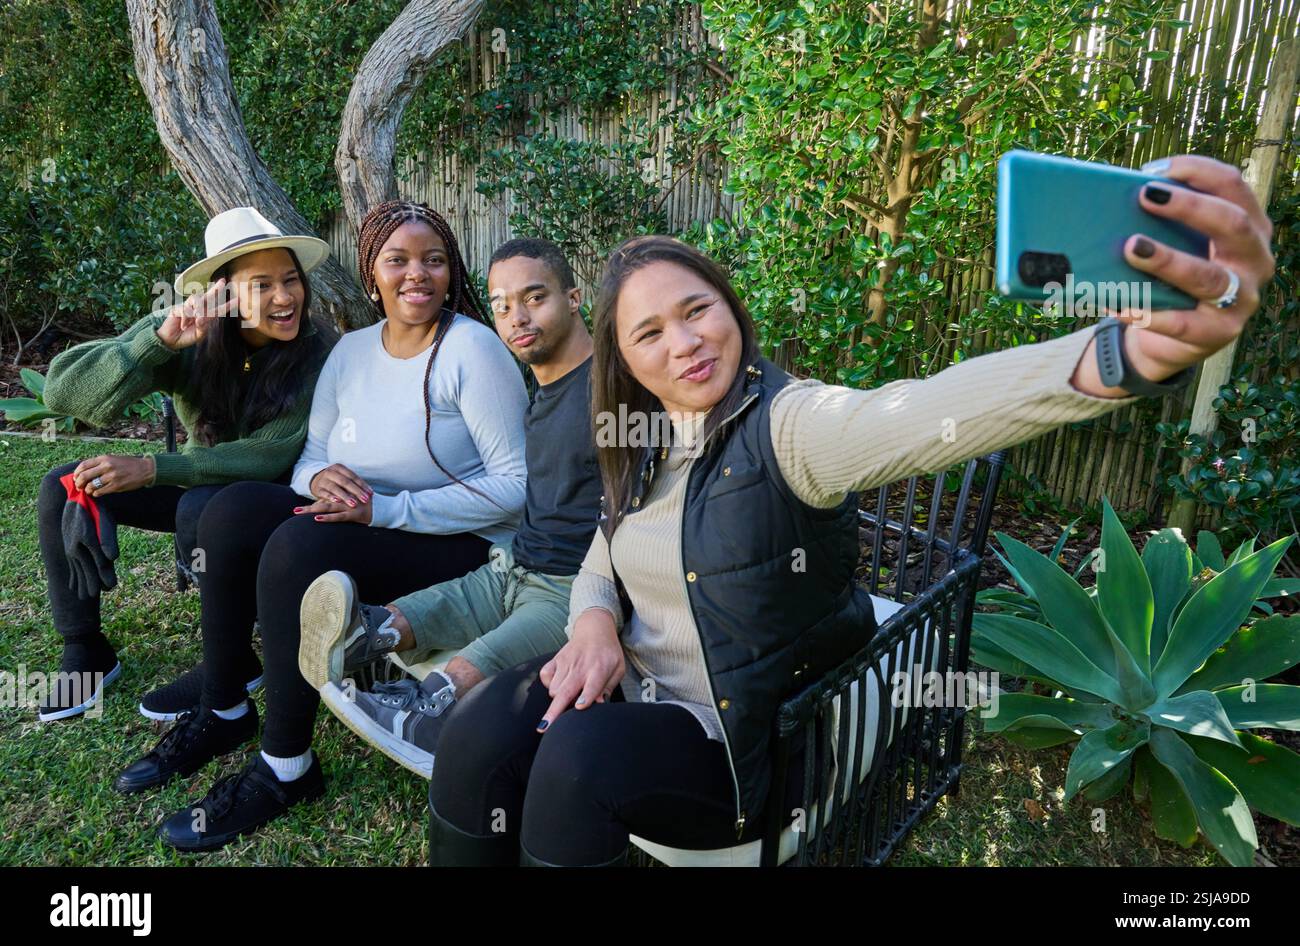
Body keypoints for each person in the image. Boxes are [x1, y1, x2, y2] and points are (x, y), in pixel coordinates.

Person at [423, 155, 1276, 866]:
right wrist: (595, 625)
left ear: (731, 311)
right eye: (649, 334)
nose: (682, 344)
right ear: (625, 360)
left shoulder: (789, 428)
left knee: (572, 760)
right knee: (479, 728)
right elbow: (605, 557)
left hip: (743, 748)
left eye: (697, 311)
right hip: (630, 692)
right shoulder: (641, 436)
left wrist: (1115, 355)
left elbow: (918, 412)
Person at [112, 201, 529, 852]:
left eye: (434, 260)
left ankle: (286, 767)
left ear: (450, 272)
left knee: (297, 544)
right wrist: (321, 480)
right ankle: (224, 705)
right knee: (234, 510)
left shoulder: (473, 352)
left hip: (470, 550)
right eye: (397, 260)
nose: (416, 273)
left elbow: (515, 488)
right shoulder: (356, 354)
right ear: (370, 275)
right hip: (383, 526)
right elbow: (309, 460)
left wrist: (386, 509)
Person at [296, 237, 601, 778]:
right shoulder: (545, 391)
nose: (516, 317)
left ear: (575, 298)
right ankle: (362, 639)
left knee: (469, 665)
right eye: (502, 304)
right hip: (516, 566)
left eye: (535, 298)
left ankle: (433, 721)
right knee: (415, 612)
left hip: (571, 589)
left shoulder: (609, 393)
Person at [33, 207, 330, 721]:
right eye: (261, 286)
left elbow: (271, 452)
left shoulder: (318, 348)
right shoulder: (188, 332)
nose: (285, 298)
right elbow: (63, 389)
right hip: (200, 485)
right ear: (223, 294)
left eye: (290, 281)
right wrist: (160, 341)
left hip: (276, 501)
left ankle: (235, 659)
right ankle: (85, 650)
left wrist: (153, 467)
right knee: (64, 484)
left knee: (201, 507)